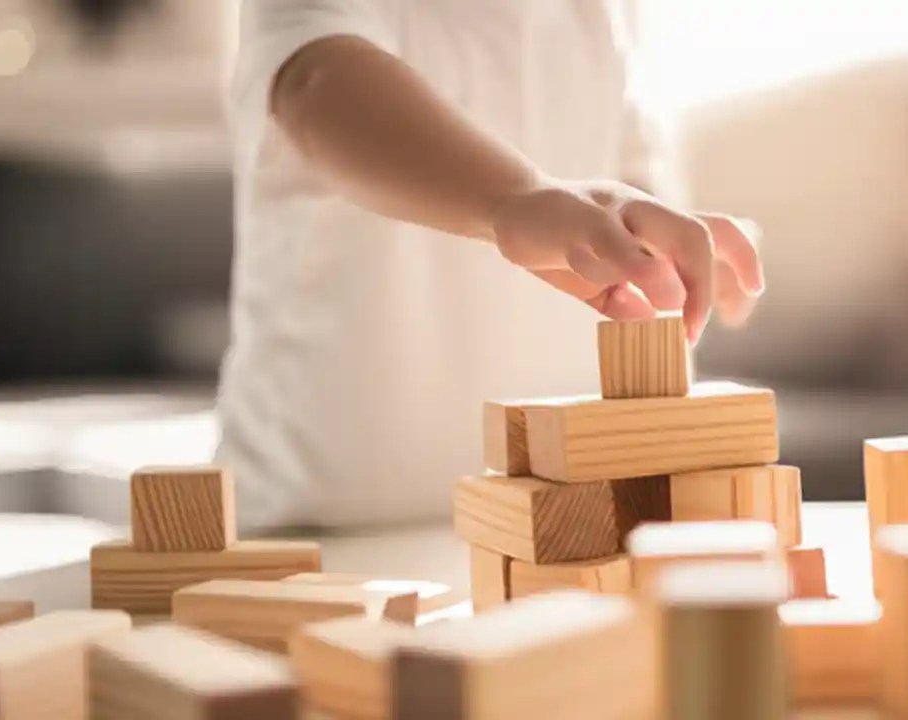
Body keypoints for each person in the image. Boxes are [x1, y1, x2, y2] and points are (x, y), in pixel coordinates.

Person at [220, 0, 764, 529]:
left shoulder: (598, 15)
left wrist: (670, 254)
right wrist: (513, 199)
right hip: (317, 525)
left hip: (560, 517)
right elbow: (318, 82)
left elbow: (624, 178)